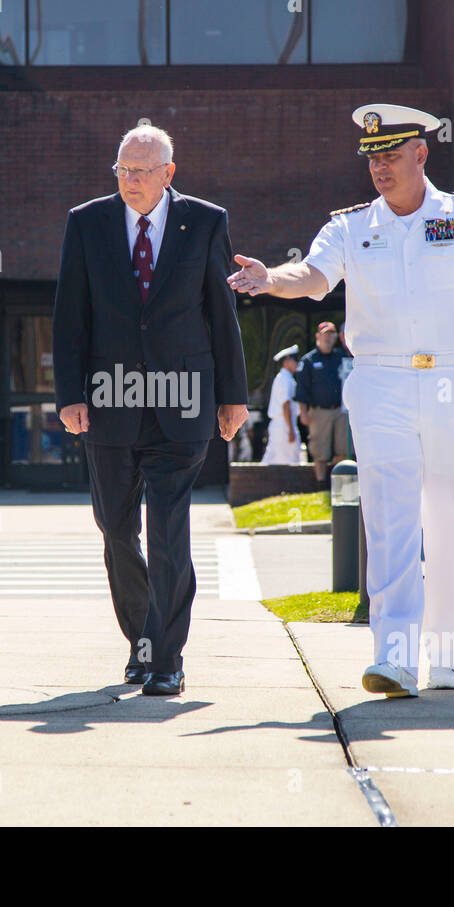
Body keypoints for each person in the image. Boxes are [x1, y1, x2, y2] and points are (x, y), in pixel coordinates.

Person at [227, 103, 454, 697]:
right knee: (389, 518)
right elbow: (314, 277)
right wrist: (271, 278)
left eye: (392, 156)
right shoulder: (349, 226)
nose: (380, 169)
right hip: (381, 380)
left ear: (422, 153)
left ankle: (446, 657)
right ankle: (393, 656)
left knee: (449, 513)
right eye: (372, 158)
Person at [53, 125, 247, 697]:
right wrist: (69, 395)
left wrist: (232, 396)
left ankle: (166, 657)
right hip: (109, 403)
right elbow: (70, 314)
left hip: (183, 403)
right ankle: (142, 638)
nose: (129, 181)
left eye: (141, 171)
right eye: (121, 170)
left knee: (167, 530)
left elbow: (221, 311)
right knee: (115, 529)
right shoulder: (86, 222)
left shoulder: (206, 221)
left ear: (169, 173)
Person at [295, 322, 350, 481]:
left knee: (342, 449)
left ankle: (339, 484)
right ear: (318, 336)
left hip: (340, 411)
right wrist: (303, 413)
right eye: (325, 333)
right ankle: (320, 483)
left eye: (332, 334)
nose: (329, 337)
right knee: (320, 452)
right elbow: (302, 390)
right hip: (319, 412)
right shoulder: (309, 361)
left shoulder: (342, 357)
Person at [261, 344, 301, 464]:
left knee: (275, 460)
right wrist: (290, 430)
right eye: (295, 360)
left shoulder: (285, 378)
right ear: (286, 361)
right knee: (288, 462)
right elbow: (285, 405)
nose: (297, 363)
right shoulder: (285, 379)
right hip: (284, 425)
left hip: (283, 424)